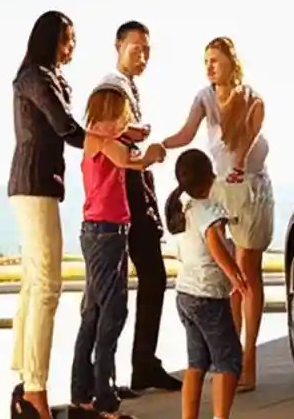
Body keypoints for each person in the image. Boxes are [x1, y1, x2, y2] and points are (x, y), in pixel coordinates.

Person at [162, 36, 273, 392]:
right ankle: (232, 360)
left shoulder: (251, 97)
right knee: (233, 280)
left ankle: (249, 364)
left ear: (231, 61)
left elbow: (248, 142)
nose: (209, 66)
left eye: (215, 59)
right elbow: (186, 133)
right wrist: (158, 146)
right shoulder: (204, 97)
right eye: (205, 60)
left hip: (251, 189)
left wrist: (240, 162)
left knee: (248, 275)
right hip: (223, 190)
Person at [70, 86, 166, 419]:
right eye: (122, 116)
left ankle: (83, 393)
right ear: (108, 114)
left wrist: (132, 133)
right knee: (111, 314)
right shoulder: (99, 140)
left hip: (105, 232)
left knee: (94, 312)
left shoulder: (100, 138)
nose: (125, 122)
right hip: (105, 234)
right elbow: (129, 160)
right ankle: (104, 399)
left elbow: (121, 143)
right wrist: (151, 152)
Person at [96, 21, 182, 394]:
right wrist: (141, 152)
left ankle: (137, 366)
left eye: (147, 50)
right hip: (124, 198)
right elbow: (102, 136)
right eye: (136, 48)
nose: (143, 56)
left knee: (146, 281)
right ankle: (124, 373)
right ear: (118, 45)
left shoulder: (126, 88)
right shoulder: (112, 88)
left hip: (133, 194)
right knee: (129, 286)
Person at [8, 11, 85, 419]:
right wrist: (112, 144)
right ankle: (35, 390)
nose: (71, 47)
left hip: (36, 186)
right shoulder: (36, 76)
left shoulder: (42, 75)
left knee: (33, 285)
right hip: (34, 186)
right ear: (50, 39)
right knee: (47, 289)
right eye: (67, 39)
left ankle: (25, 382)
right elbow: (64, 126)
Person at [165, 149, 249, 419]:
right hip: (208, 296)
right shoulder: (209, 210)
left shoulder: (185, 207)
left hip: (186, 294)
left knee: (196, 363)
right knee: (230, 361)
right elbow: (215, 244)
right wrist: (236, 275)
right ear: (210, 177)